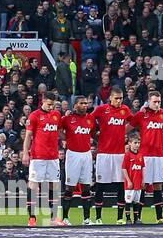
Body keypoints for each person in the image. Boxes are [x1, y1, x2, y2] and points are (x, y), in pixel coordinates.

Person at [129, 91, 163, 224]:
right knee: (142, 185)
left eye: (159, 102)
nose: (157, 104)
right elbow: (128, 126)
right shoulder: (142, 115)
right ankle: (137, 217)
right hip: (145, 156)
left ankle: (159, 217)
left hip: (159, 155)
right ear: (148, 101)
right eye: (155, 101)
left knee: (158, 185)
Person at [22, 92, 64, 227]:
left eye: (53, 105)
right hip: (38, 156)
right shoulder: (34, 115)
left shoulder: (57, 115)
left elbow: (59, 132)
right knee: (34, 185)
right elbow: (28, 136)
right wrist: (25, 153)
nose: (51, 107)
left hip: (53, 157)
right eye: (49, 104)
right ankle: (32, 217)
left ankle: (54, 217)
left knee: (54, 185)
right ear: (43, 101)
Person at [90, 89, 131, 224]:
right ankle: (98, 217)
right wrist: (95, 134)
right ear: (110, 98)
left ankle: (120, 217)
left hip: (119, 154)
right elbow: (88, 120)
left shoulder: (125, 110)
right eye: (117, 98)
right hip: (104, 154)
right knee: (100, 185)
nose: (119, 101)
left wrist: (123, 131)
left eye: (121, 98)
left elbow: (134, 121)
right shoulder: (101, 109)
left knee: (120, 185)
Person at [61, 96, 96, 225]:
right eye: (82, 103)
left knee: (86, 186)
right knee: (70, 187)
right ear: (75, 105)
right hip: (73, 154)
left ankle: (86, 219)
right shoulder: (67, 118)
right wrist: (66, 138)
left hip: (86, 154)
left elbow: (93, 133)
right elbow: (58, 128)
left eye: (86, 103)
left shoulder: (91, 119)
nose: (85, 105)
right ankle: (65, 218)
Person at [121, 131, 146, 225]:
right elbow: (124, 168)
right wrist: (128, 181)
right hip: (130, 183)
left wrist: (143, 180)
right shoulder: (127, 155)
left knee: (136, 202)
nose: (137, 145)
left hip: (138, 183)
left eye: (138, 143)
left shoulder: (141, 155)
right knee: (128, 201)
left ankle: (136, 219)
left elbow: (142, 168)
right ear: (129, 143)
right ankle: (128, 219)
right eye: (135, 143)